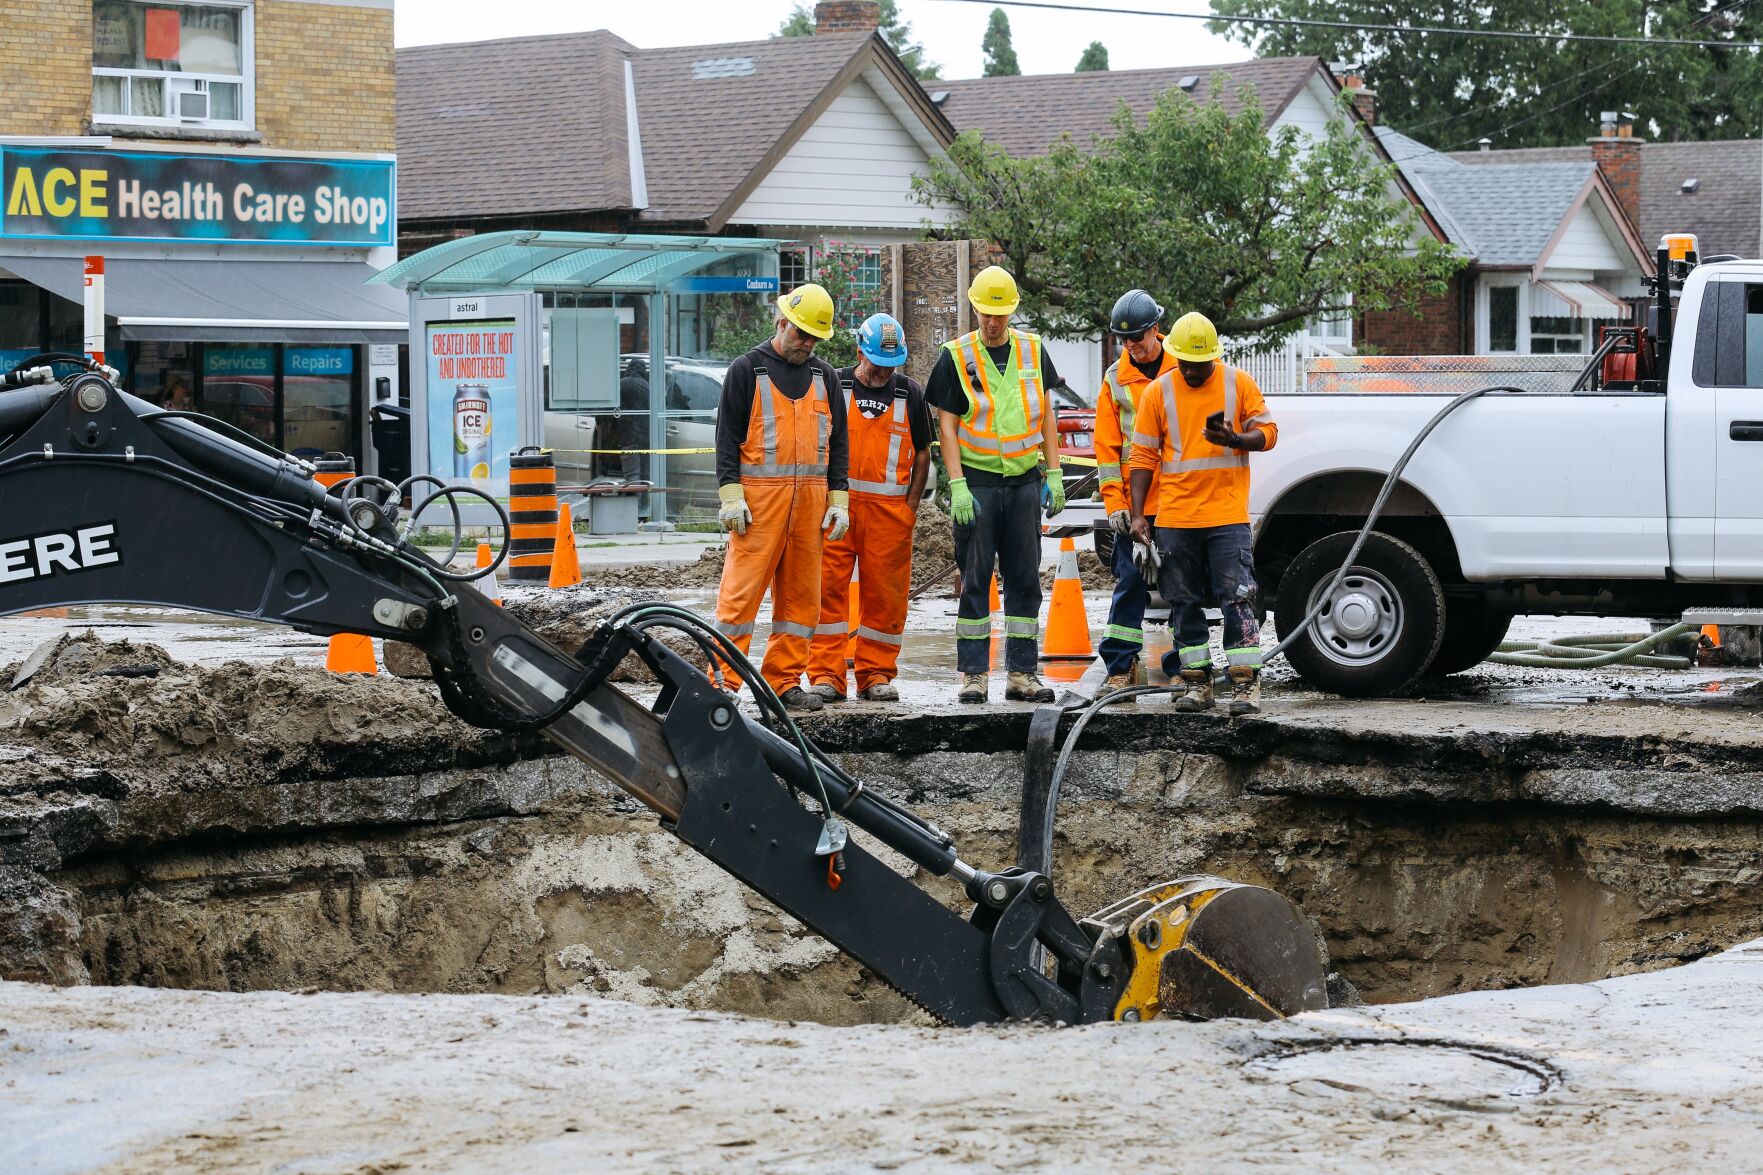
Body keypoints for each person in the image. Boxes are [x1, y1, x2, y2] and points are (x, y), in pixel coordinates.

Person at [924, 264, 1063, 705]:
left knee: (1025, 580)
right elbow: (946, 427)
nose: (992, 321)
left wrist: (1054, 473)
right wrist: (957, 484)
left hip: (1024, 483)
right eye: (985, 312)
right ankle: (973, 675)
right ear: (974, 308)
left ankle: (1022, 673)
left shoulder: (1033, 350)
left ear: (1012, 312)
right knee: (976, 580)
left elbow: (1046, 416)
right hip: (979, 485)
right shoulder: (955, 356)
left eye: (999, 314)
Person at [1128, 311, 1278, 715]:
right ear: (1175, 355)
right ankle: (1197, 683)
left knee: (1238, 599)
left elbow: (1269, 433)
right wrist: (1138, 514)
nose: (1193, 371)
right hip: (1177, 519)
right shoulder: (1157, 393)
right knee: (1183, 602)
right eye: (1187, 363)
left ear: (1214, 356)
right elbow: (1142, 456)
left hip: (1226, 516)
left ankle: (1245, 685)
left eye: (1201, 364)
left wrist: (1237, 438)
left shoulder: (1237, 383)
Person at [712, 283, 851, 712]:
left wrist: (838, 499)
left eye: (814, 338)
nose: (806, 344)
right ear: (782, 322)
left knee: (801, 602)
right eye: (801, 334)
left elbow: (839, 443)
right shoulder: (746, 369)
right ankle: (721, 685)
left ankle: (784, 681)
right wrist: (731, 495)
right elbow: (727, 438)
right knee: (739, 598)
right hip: (758, 508)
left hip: (809, 508)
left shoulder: (824, 377)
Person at [807, 313, 933, 704]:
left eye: (891, 367)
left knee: (885, 598)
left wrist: (910, 508)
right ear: (859, 350)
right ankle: (826, 675)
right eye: (877, 364)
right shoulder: (834, 383)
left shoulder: (909, 393)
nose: (883, 373)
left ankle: (876, 673)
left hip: (889, 516)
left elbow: (925, 454)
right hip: (837, 511)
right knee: (827, 593)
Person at [1092, 289, 1177, 701]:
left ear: (1155, 331)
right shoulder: (1115, 378)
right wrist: (1115, 505)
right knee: (1129, 582)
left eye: (1137, 338)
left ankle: (1185, 668)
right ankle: (1121, 664)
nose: (1132, 347)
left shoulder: (1184, 367)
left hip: (1178, 502)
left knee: (1181, 586)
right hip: (1137, 505)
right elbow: (1107, 449)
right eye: (1124, 340)